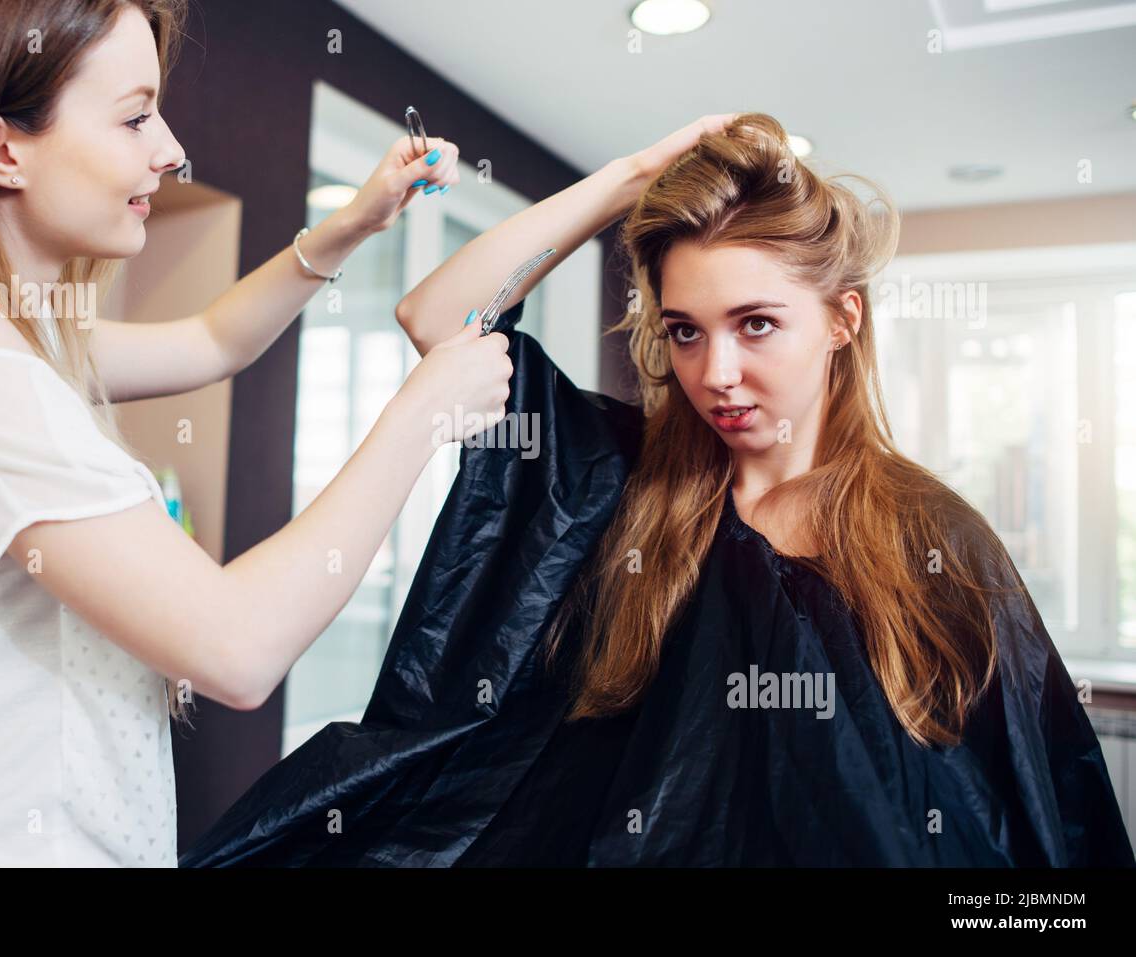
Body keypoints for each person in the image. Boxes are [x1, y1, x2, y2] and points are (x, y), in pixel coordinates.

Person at [178, 113, 1134, 867]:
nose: (714, 371)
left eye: (756, 324)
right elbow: (439, 316)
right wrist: (632, 181)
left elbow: (1046, 814)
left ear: (843, 319)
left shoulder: (933, 540)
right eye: (684, 330)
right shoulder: (618, 476)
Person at [0, 0, 512, 867]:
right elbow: (237, 645)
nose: (171, 147)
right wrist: (425, 408)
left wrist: (352, 223)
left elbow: (211, 342)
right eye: (134, 116)